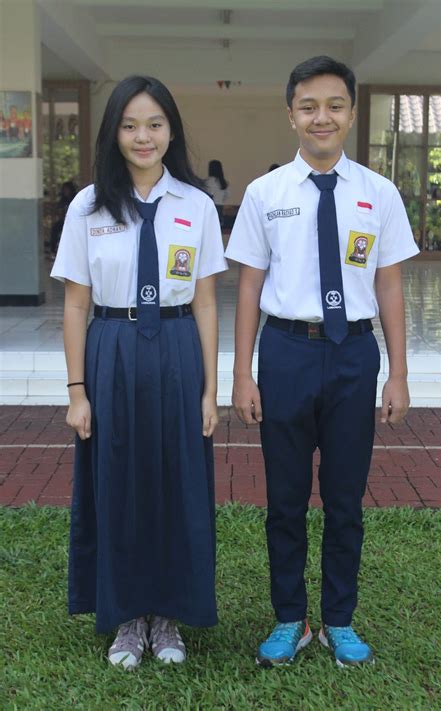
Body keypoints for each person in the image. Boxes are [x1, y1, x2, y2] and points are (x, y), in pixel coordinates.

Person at [225, 56, 419, 668]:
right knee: (284, 500)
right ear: (291, 115)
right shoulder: (265, 193)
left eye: (334, 105)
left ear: (352, 112)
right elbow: (250, 287)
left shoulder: (378, 193)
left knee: (343, 499)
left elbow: (388, 286)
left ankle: (338, 618)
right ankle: (290, 618)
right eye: (308, 106)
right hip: (285, 352)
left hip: (353, 355)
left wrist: (399, 372)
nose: (322, 117)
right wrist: (242, 371)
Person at [51, 75, 227, 669]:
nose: (142, 136)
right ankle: (127, 616)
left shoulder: (196, 205)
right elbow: (76, 302)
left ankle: (168, 614)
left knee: (178, 480)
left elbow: (205, 300)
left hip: (177, 343)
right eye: (129, 125)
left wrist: (210, 386)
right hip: (113, 344)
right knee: (117, 478)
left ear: (171, 129)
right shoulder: (89, 205)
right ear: (114, 133)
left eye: (154, 123)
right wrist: (77, 389)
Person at [50, 181, 77, 258]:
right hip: (64, 221)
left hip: (74, 221)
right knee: (54, 229)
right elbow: (59, 208)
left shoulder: (75, 197)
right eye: (64, 189)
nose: (65, 191)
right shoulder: (63, 198)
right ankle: (53, 251)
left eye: (67, 189)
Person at [206, 159, 229, 226]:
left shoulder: (207, 182)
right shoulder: (223, 182)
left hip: (211, 207)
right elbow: (227, 195)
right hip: (220, 207)